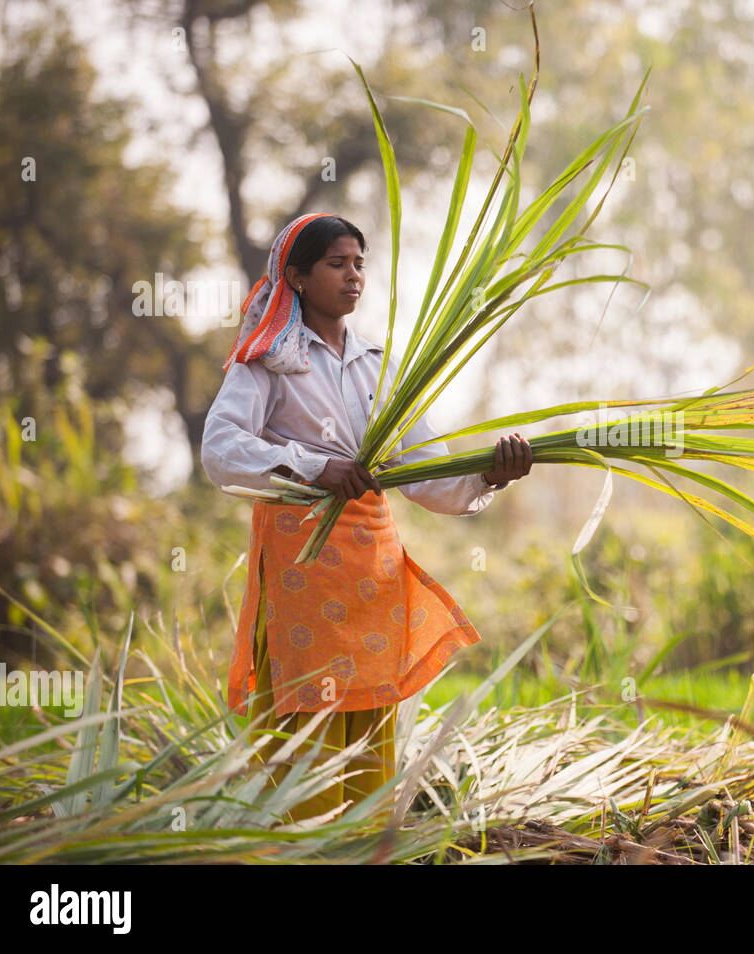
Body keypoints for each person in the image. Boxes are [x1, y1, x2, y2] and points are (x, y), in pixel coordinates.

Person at [201, 212, 532, 825]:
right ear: (296, 278)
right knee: (306, 731)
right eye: (337, 263)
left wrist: (488, 474)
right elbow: (221, 452)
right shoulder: (266, 362)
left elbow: (426, 468)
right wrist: (310, 466)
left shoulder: (378, 363)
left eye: (359, 263)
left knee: (369, 733)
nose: (353, 276)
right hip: (303, 571)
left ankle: (362, 843)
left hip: (368, 572)